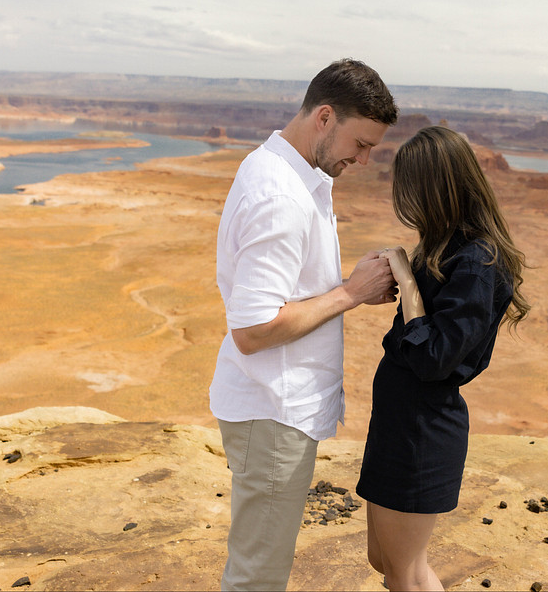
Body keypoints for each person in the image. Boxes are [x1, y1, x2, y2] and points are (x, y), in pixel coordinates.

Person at [209, 59, 399, 591]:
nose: (362, 160)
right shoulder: (281, 198)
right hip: (273, 411)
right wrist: (350, 293)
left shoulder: (286, 169)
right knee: (258, 576)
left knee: (262, 565)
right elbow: (252, 331)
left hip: (274, 409)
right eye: (360, 144)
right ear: (324, 117)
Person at [356, 125, 530, 591]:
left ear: (438, 187)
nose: (405, 200)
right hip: (399, 424)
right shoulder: (444, 248)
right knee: (385, 560)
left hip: (422, 429)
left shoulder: (476, 261)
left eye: (410, 188)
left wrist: (407, 282)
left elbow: (434, 356)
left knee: (406, 575)